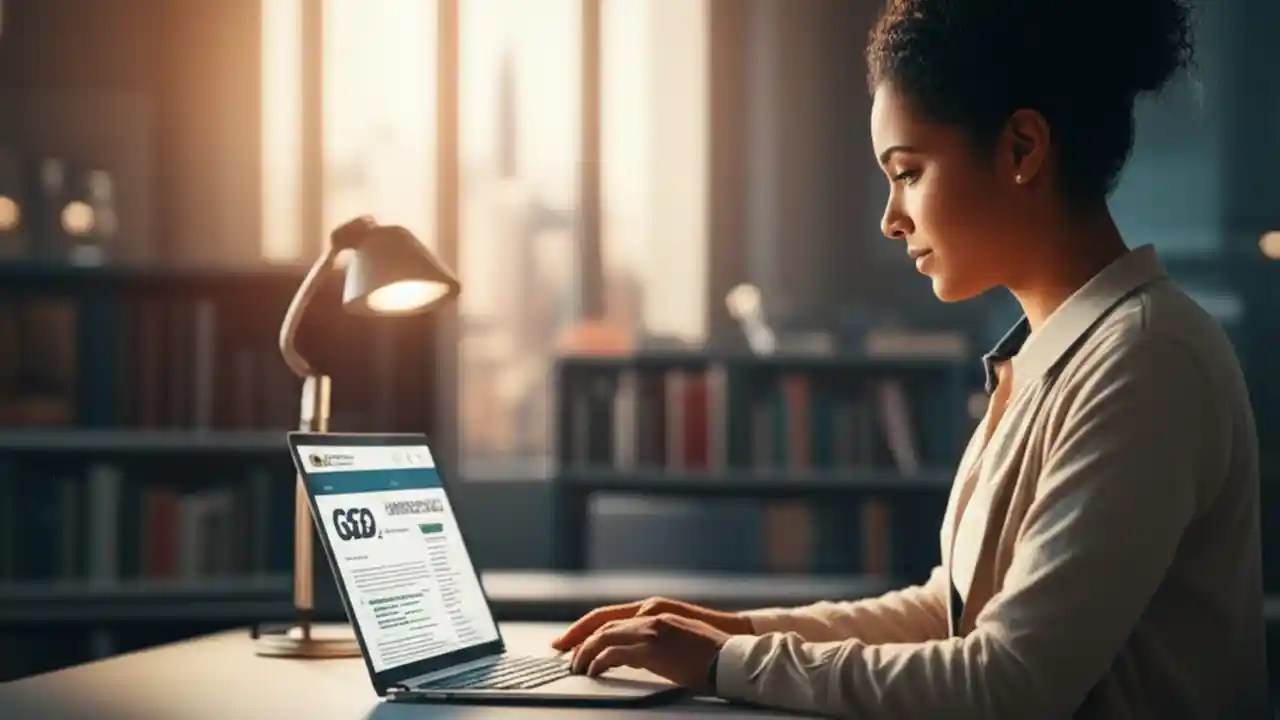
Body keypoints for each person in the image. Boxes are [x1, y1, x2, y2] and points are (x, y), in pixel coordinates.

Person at [551, 0, 1269, 716]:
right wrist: (733, 632)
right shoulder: (1055, 357)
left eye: (909, 171)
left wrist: (724, 662)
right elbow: (945, 612)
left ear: (1022, 150)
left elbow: (1008, 680)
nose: (891, 219)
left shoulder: (1145, 361)